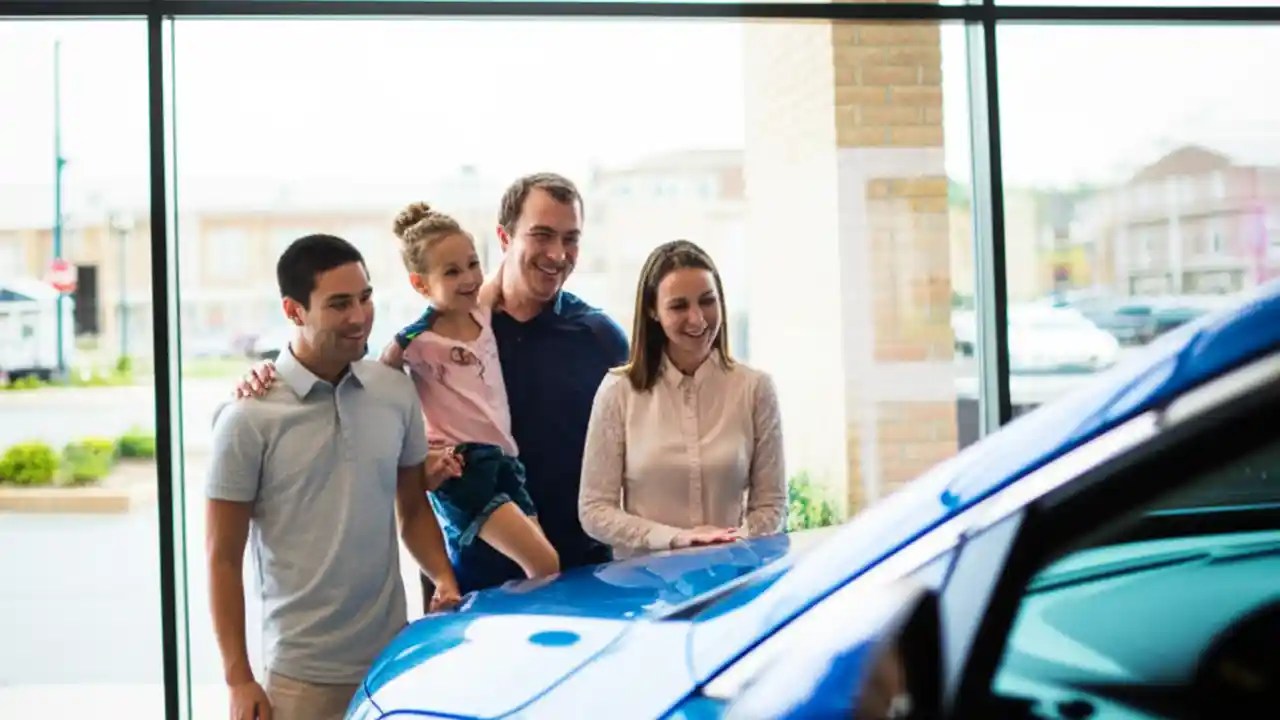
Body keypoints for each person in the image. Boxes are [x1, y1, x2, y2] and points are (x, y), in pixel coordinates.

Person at [235, 173, 629, 595]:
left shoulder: (600, 337)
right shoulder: (442, 331)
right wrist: (273, 373)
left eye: (571, 238)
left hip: (584, 580)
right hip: (468, 586)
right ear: (503, 236)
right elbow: (348, 367)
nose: (558, 253)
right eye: (542, 235)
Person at [206, 234, 461, 720]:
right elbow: (221, 560)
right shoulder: (247, 418)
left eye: (365, 298)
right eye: (339, 304)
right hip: (300, 678)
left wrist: (444, 577)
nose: (359, 316)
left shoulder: (393, 391)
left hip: (392, 660)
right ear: (294, 310)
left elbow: (410, 509)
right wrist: (239, 678)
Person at [578, 239, 787, 557]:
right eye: (679, 306)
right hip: (647, 593)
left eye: (707, 301)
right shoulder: (618, 392)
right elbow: (594, 510)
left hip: (731, 580)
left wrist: (731, 541)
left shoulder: (756, 389)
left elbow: (772, 506)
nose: (698, 319)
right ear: (653, 311)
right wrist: (674, 538)